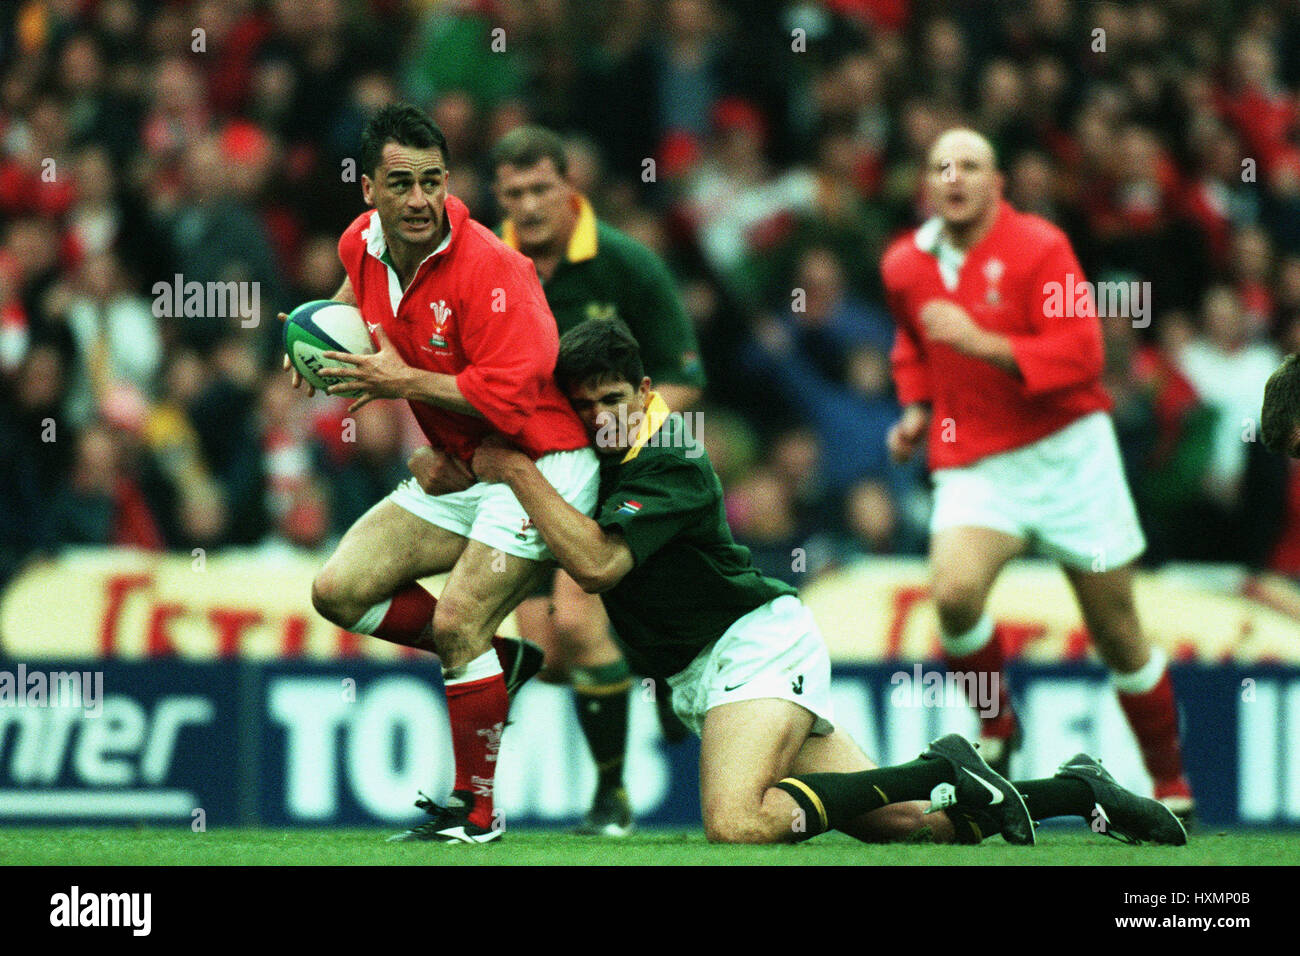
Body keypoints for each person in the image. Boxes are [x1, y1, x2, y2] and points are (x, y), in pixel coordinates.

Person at [468, 317, 1186, 847]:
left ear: (647, 391)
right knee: (905, 824)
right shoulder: (597, 466)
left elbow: (597, 566)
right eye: (585, 406)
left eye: (614, 398)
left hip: (754, 650)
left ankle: (938, 763)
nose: (601, 417)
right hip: (708, 668)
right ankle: (1079, 789)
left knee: (737, 823)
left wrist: (514, 470)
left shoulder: (671, 459)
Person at [281, 104, 600, 844]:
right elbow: (351, 296)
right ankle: (498, 662)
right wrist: (313, 339)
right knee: (339, 589)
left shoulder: (494, 270)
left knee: (458, 622)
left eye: (432, 182)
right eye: (401, 184)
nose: (419, 200)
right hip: (466, 466)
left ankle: (478, 814)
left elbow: (514, 396)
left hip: (542, 464)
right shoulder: (360, 243)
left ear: (448, 182)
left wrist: (403, 385)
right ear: (369, 191)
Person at [881, 128, 1194, 818]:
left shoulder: (1041, 248)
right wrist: (914, 408)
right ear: (926, 187)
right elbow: (912, 342)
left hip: (1069, 455)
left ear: (998, 185)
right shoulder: (905, 263)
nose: (954, 177)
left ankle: (1172, 782)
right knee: (954, 593)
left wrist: (979, 342)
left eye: (970, 166)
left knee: (1116, 632)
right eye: (941, 167)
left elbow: (1081, 358)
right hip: (978, 461)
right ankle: (998, 730)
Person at [487, 125, 707, 836]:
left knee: (580, 620)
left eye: (541, 187)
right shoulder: (487, 265)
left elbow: (682, 380)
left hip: (610, 472)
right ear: (498, 196)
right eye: (514, 192)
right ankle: (660, 667)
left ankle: (611, 799)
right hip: (527, 472)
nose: (528, 204)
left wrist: (613, 440)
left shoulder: (627, 265)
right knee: (547, 656)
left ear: (569, 184)